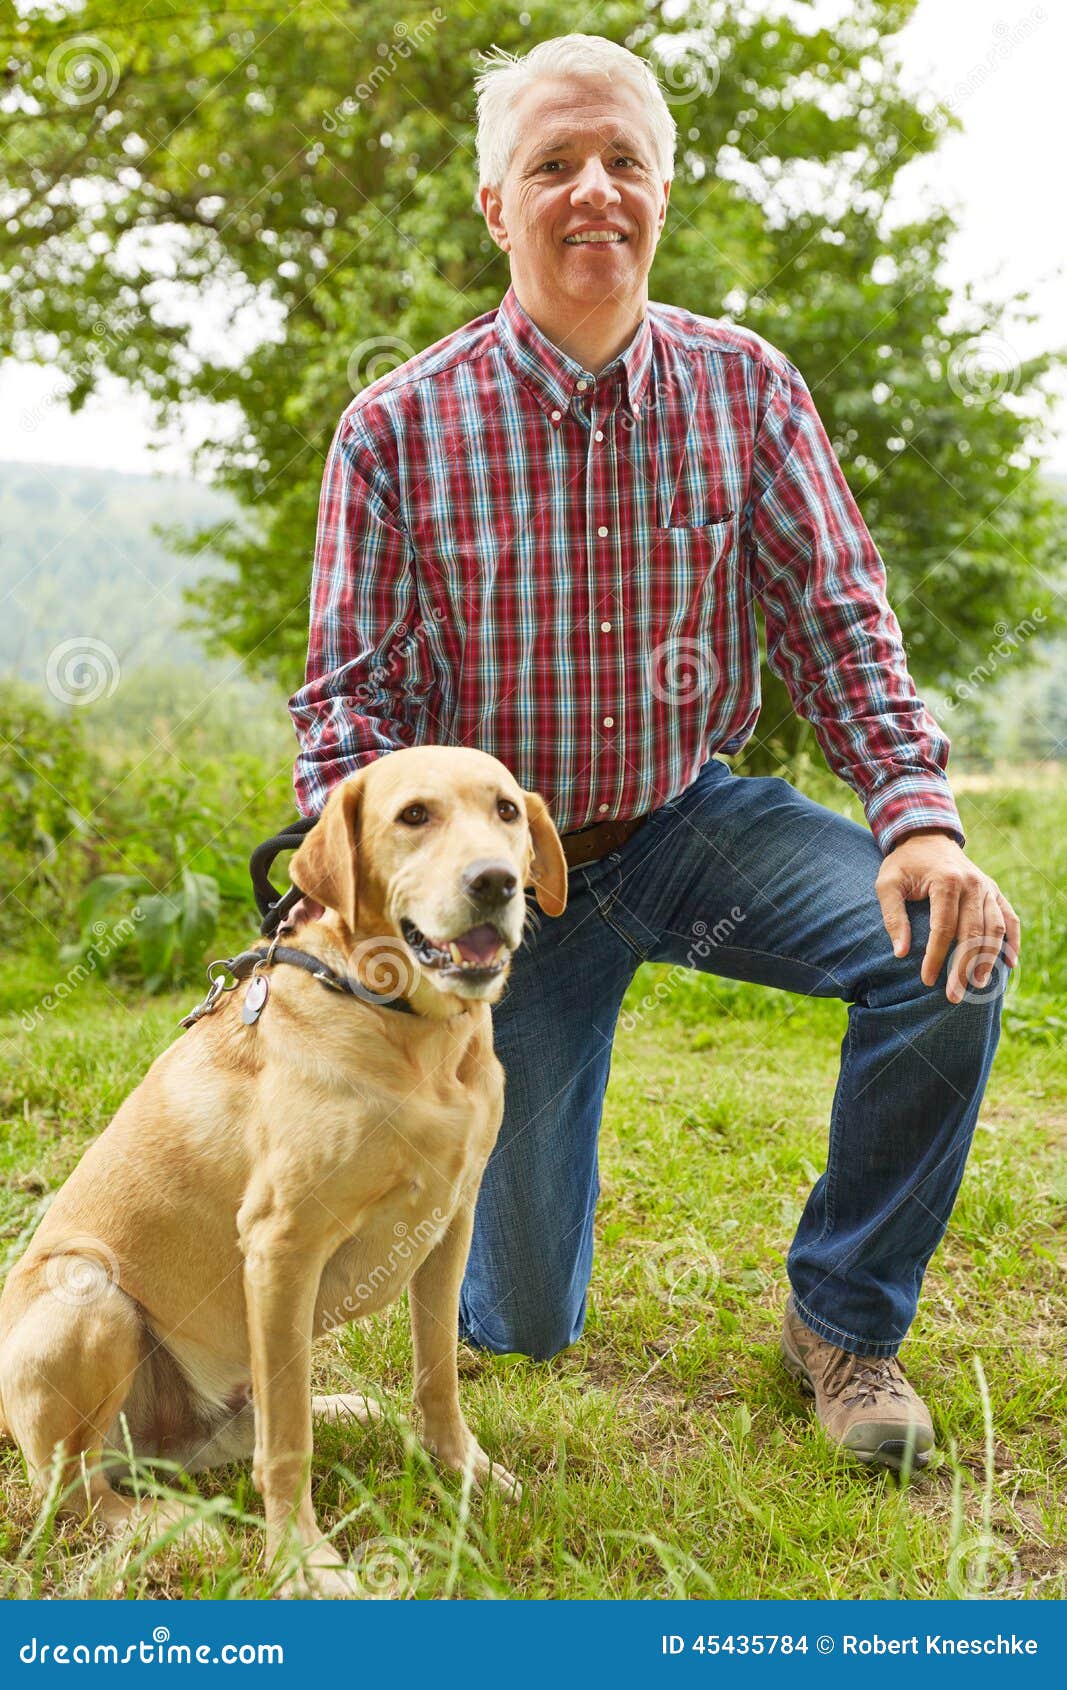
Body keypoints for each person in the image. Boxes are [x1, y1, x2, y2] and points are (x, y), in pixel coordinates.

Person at [288, 34, 1019, 1468]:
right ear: (496, 204)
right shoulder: (396, 430)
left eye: (624, 160)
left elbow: (840, 623)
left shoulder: (744, 389)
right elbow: (349, 717)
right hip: (502, 894)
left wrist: (919, 818)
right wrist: (364, 916)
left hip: (693, 829)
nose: (594, 192)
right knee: (526, 1320)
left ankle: (844, 1319)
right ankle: (518, 1261)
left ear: (663, 188)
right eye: (554, 164)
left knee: (949, 947)